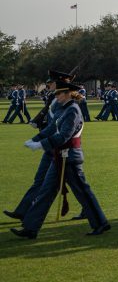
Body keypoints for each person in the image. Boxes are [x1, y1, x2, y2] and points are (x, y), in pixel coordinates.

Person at [11, 80, 109, 239]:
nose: (56, 96)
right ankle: (30, 228)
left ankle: (100, 223)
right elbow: (51, 128)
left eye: (59, 93)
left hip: (70, 158)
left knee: (83, 192)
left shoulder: (72, 110)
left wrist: (41, 145)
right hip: (59, 157)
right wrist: (35, 139)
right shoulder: (64, 109)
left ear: (67, 93)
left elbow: (64, 136)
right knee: (45, 192)